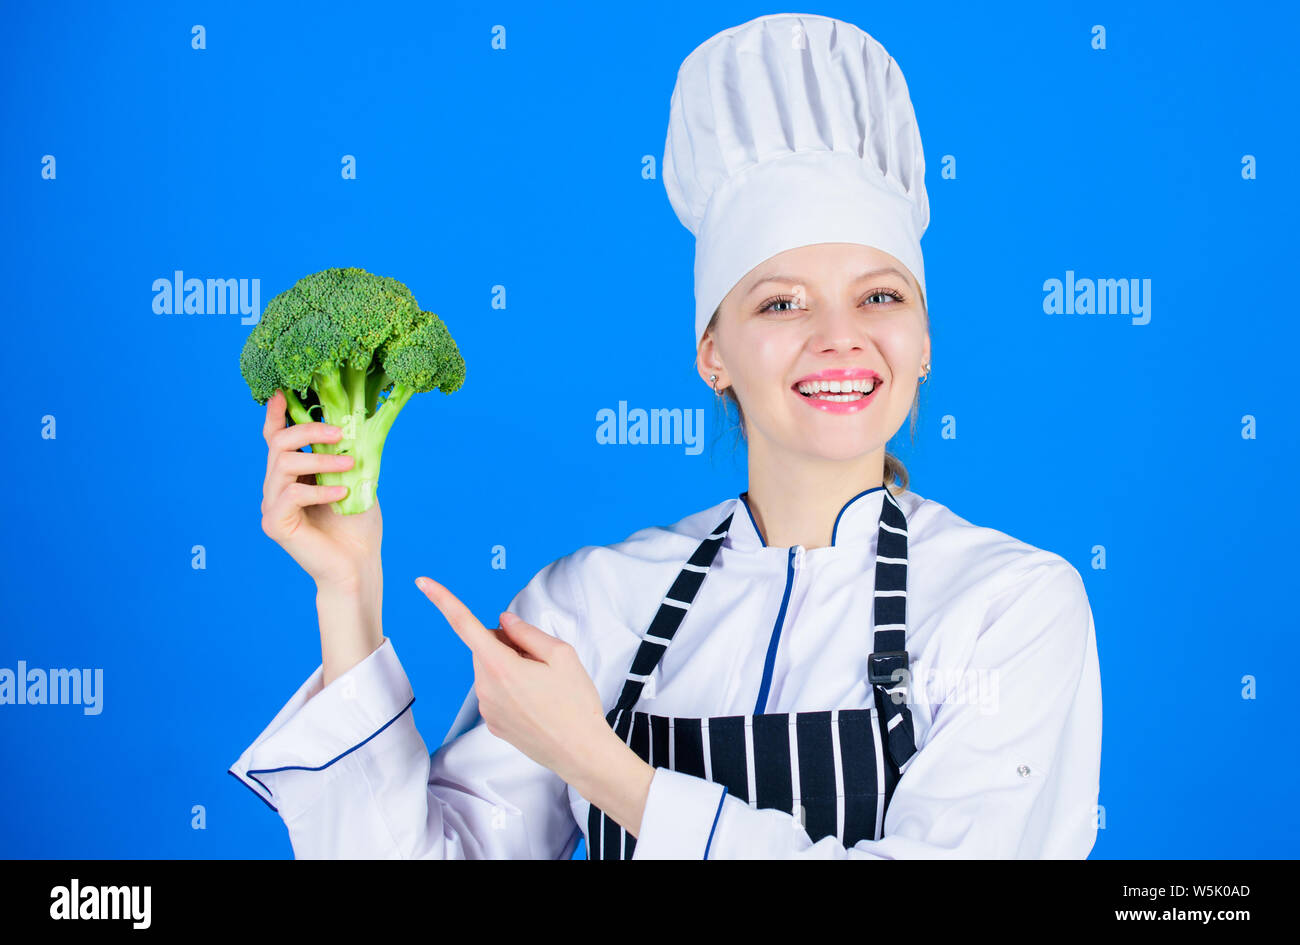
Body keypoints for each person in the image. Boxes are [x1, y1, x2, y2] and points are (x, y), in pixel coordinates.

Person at [229, 12, 1102, 860]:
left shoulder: (1009, 607)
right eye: (782, 301)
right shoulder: (592, 605)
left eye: (881, 296)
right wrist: (348, 596)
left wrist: (603, 766)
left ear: (921, 344)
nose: (841, 335)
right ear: (713, 354)